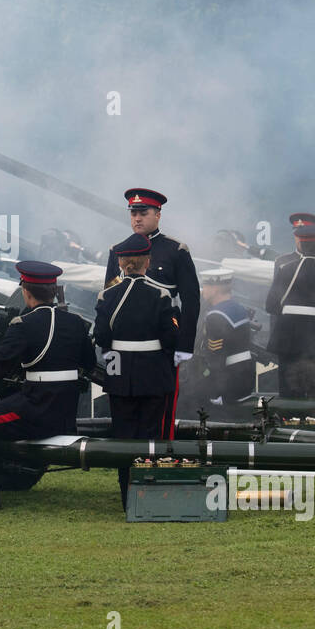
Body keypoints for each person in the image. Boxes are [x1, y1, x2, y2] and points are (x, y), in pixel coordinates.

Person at [0, 261, 97, 514]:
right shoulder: (76, 323)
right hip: (66, 414)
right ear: (54, 290)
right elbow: (88, 364)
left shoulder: (23, 326)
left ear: (25, 291)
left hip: (37, 412)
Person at [104, 188, 200, 437]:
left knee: (160, 410)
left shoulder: (175, 250)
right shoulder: (118, 251)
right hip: (125, 347)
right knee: (124, 411)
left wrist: (185, 344)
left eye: (143, 213)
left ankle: (156, 464)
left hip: (162, 341)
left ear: (158, 214)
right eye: (133, 213)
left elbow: (191, 301)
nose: (137, 219)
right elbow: (110, 298)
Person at [93, 233, 178, 508]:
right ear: (148, 262)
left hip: (120, 374)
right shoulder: (161, 294)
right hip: (153, 373)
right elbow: (170, 339)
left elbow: (102, 337)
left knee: (123, 435)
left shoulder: (107, 295)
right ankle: (148, 495)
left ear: (121, 263)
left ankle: (126, 495)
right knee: (150, 435)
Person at [265, 223, 315, 399]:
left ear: (300, 244)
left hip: (286, 337)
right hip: (314, 338)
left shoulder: (284, 269)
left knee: (288, 388)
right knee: (314, 390)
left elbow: (270, 305)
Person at [196, 268, 256, 405]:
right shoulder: (238, 308)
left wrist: (215, 390)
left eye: (205, 286)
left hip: (230, 380)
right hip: (245, 374)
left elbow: (216, 357)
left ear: (215, 289)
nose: (203, 289)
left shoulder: (216, 315)